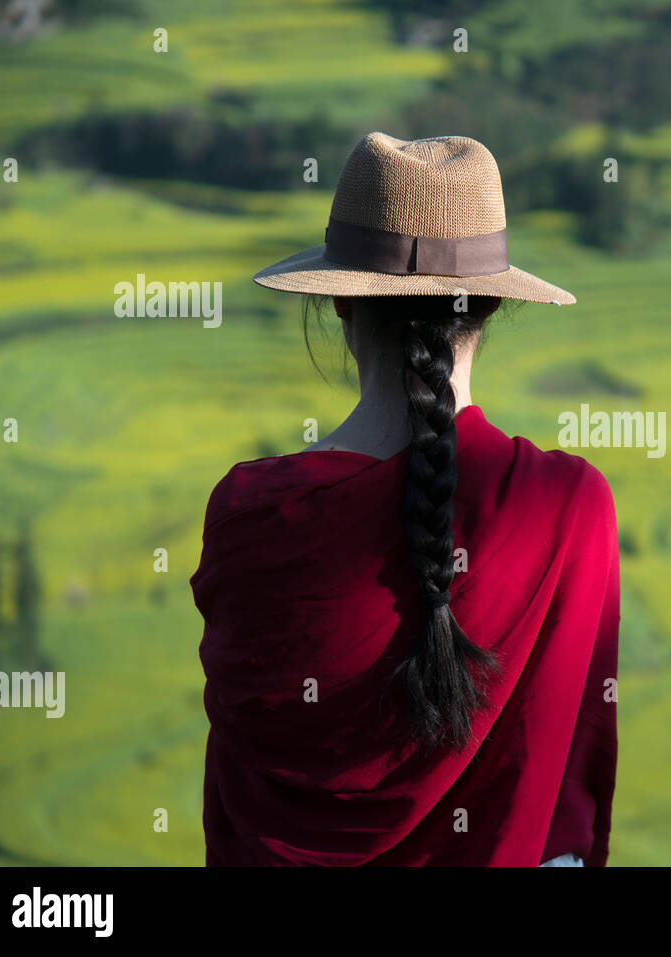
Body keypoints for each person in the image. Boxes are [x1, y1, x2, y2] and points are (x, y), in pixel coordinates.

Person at [190, 133, 619, 866]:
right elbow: (574, 782)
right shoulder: (569, 506)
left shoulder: (250, 513)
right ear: (490, 308)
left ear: (339, 308)